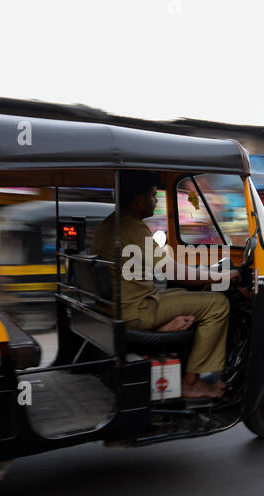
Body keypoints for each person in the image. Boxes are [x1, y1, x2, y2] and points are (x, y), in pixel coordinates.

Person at [92, 171, 232, 400]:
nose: (155, 202)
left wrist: (203, 275)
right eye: (153, 196)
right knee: (218, 303)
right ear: (138, 200)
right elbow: (170, 269)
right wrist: (219, 277)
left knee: (184, 293)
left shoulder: (108, 224)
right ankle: (191, 383)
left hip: (118, 307)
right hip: (137, 310)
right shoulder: (132, 228)